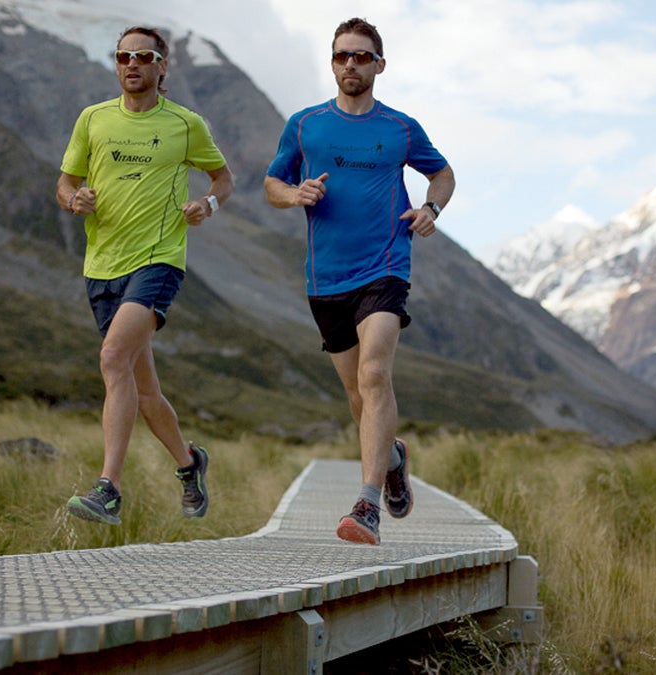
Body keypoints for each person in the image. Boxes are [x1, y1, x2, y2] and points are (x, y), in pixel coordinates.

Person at [264, 17, 455, 545]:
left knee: (374, 374)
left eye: (362, 56)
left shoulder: (400, 128)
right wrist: (294, 194)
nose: (351, 64)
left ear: (379, 65)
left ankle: (366, 505)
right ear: (332, 63)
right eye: (342, 55)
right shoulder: (305, 125)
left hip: (385, 267)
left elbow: (442, 173)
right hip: (326, 278)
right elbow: (272, 182)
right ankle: (391, 457)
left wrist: (431, 209)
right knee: (357, 395)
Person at [57, 26, 234, 525]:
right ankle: (189, 462)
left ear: (162, 66)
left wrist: (207, 205)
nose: (132, 63)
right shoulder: (93, 119)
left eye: (143, 56)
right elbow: (65, 183)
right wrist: (74, 200)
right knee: (145, 391)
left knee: (113, 357)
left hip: (158, 259)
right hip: (101, 266)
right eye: (123, 56)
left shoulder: (185, 124)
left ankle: (109, 489)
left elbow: (223, 178)